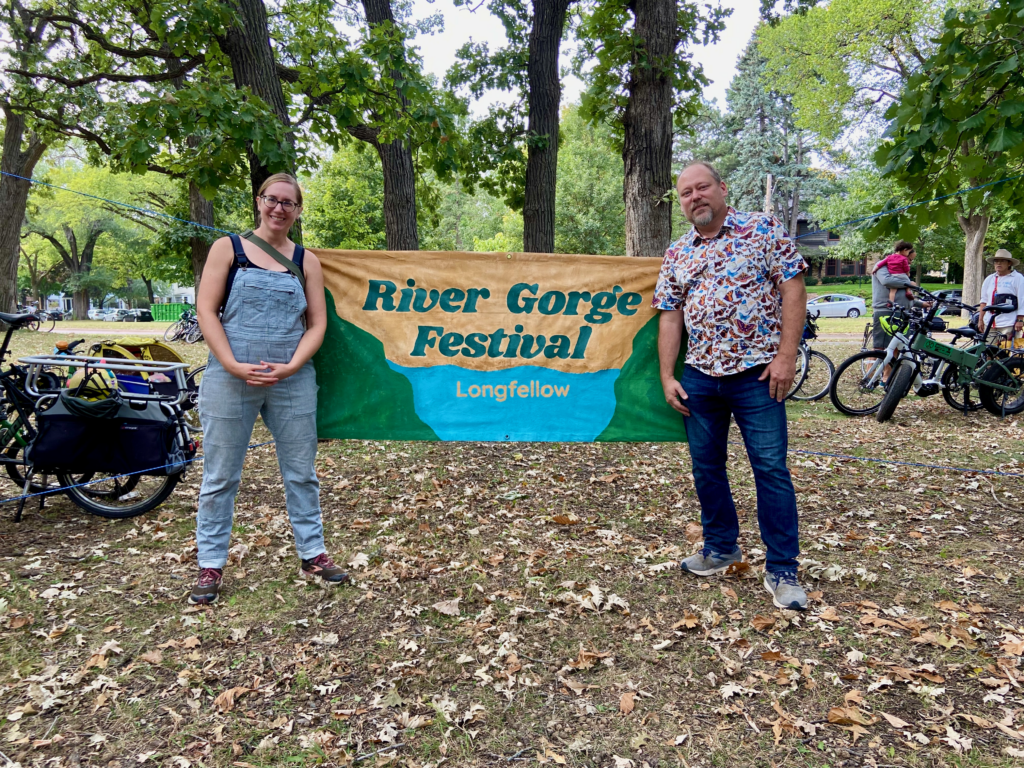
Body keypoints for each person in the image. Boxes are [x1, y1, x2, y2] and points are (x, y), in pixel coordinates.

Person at [655, 162, 809, 611]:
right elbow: (670, 315)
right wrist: (668, 376)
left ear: (722, 188)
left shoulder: (762, 229)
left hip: (758, 376)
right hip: (700, 378)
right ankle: (721, 547)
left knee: (771, 469)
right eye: (686, 193)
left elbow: (794, 289)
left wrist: (786, 357)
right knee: (706, 468)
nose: (695, 197)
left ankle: (782, 569)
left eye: (702, 187)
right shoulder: (677, 252)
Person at [189, 173, 348, 605]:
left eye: (288, 203)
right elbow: (206, 310)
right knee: (220, 475)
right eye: (272, 200)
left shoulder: (306, 260)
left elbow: (317, 323)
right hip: (230, 377)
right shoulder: (228, 249)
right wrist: (231, 364)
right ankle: (210, 563)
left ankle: (312, 553)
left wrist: (293, 365)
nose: (279, 208)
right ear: (259, 202)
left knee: (302, 472)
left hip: (291, 380)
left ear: (298, 210)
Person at [870, 242, 919, 352]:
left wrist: (921, 304)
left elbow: (902, 296)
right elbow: (887, 281)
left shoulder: (902, 272)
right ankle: (872, 363)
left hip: (902, 312)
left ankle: (892, 364)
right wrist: (909, 284)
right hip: (886, 311)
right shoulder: (884, 266)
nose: (910, 262)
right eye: (910, 259)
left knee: (898, 347)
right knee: (880, 348)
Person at [978, 249, 1024, 341]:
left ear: (1009, 263)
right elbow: (984, 300)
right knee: (988, 348)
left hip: (1008, 322)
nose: (998, 263)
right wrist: (980, 320)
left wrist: (1020, 320)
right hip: (989, 322)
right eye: (996, 261)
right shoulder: (989, 279)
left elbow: (1022, 300)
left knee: (1005, 348)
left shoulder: (1017, 278)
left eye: (1002, 261)